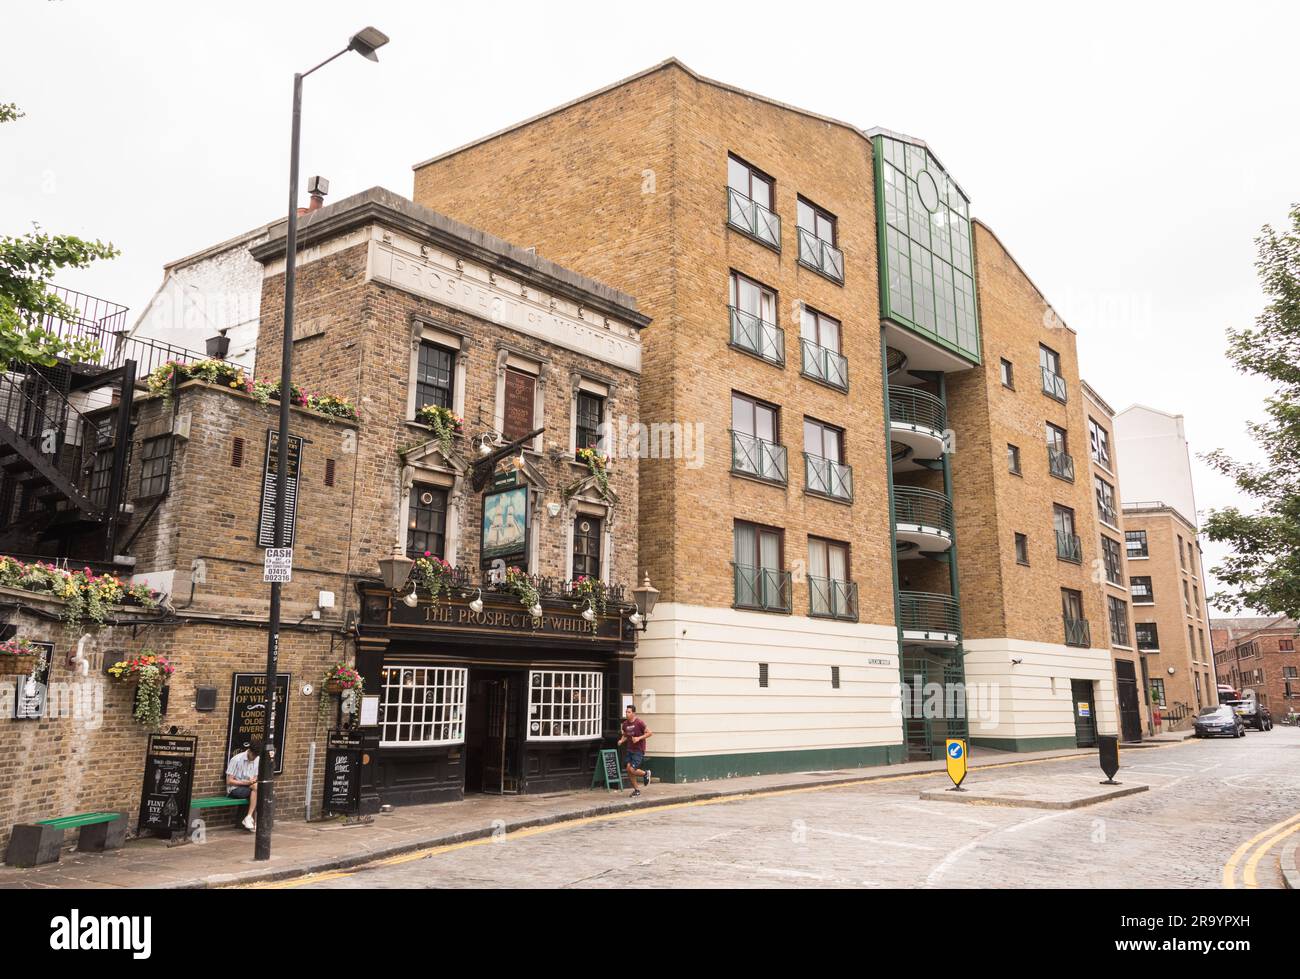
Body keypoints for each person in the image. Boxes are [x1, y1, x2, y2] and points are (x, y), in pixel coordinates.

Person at [226, 740, 261, 831]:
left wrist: (253, 780)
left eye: (256, 756)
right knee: (257, 789)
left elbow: (256, 776)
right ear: (249, 750)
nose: (254, 758)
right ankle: (250, 819)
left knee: (258, 789)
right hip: (235, 789)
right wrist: (246, 783)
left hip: (250, 787)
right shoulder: (236, 759)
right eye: (253, 755)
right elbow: (229, 781)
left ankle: (249, 818)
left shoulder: (257, 759)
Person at [618, 704, 652, 797]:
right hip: (629, 749)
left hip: (638, 750)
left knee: (632, 769)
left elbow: (650, 733)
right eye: (626, 712)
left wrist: (639, 738)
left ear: (633, 713)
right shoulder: (625, 724)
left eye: (629, 712)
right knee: (628, 770)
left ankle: (645, 773)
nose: (627, 714)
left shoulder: (639, 723)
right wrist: (621, 740)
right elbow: (625, 735)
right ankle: (637, 790)